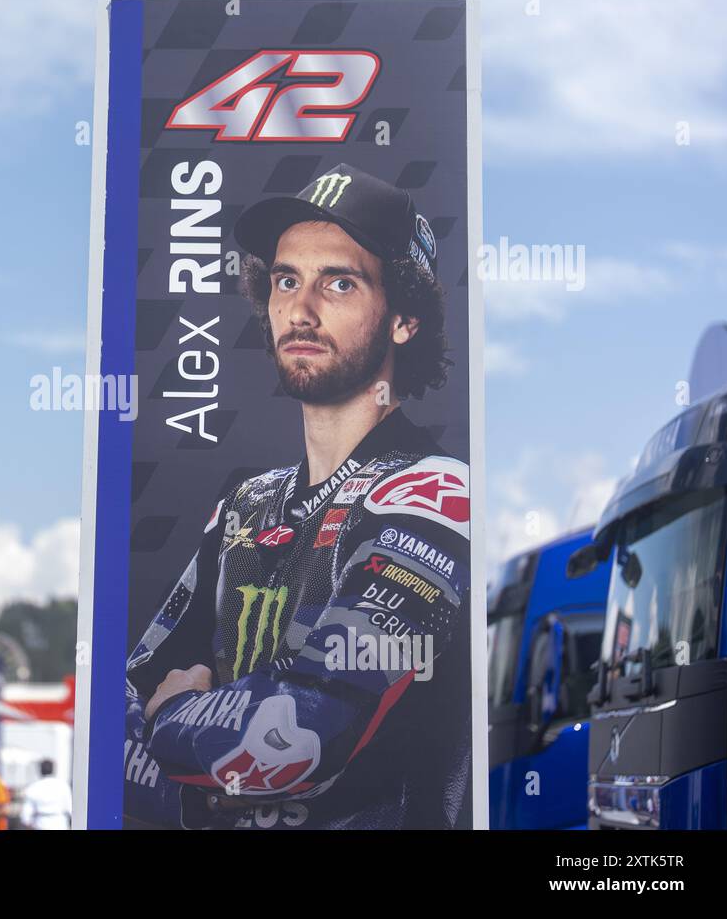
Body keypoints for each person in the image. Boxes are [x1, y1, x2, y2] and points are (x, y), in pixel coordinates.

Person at [124, 163, 471, 830]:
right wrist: (200, 793)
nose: (301, 309)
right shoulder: (247, 506)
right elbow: (116, 711)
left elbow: (297, 734)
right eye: (287, 279)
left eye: (339, 282)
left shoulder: (437, 495)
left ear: (402, 319)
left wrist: (172, 718)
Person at [19, 759, 72, 830]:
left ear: (40, 770)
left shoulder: (33, 787)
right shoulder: (63, 786)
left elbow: (26, 816)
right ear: (53, 770)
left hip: (40, 824)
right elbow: (70, 808)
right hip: (60, 824)